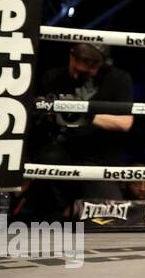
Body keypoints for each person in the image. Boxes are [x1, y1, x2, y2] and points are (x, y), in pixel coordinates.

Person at [18, 43, 135, 222]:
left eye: (86, 73)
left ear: (101, 66)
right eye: (76, 70)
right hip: (61, 149)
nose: (76, 76)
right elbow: (37, 113)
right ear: (71, 57)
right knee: (45, 164)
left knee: (107, 218)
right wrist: (45, 111)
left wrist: (85, 114)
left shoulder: (119, 79)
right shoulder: (53, 77)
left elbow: (125, 123)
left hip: (99, 158)